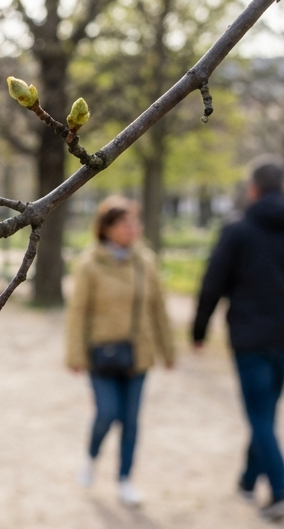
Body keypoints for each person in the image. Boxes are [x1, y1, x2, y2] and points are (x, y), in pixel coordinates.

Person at [192, 158, 284, 522]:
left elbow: (213, 283)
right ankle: (247, 479)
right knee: (266, 412)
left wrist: (199, 330)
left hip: (249, 338)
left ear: (253, 189)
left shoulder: (237, 229)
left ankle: (281, 492)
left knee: (260, 416)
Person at [65, 196, 176, 507]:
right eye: (125, 224)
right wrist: (75, 355)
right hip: (101, 354)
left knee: (131, 421)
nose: (132, 229)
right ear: (107, 228)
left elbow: (158, 308)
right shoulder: (90, 265)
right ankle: (91, 457)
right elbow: (78, 312)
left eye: (135, 223)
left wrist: (168, 350)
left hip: (138, 353)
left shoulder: (146, 262)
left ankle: (125, 479)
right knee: (107, 413)